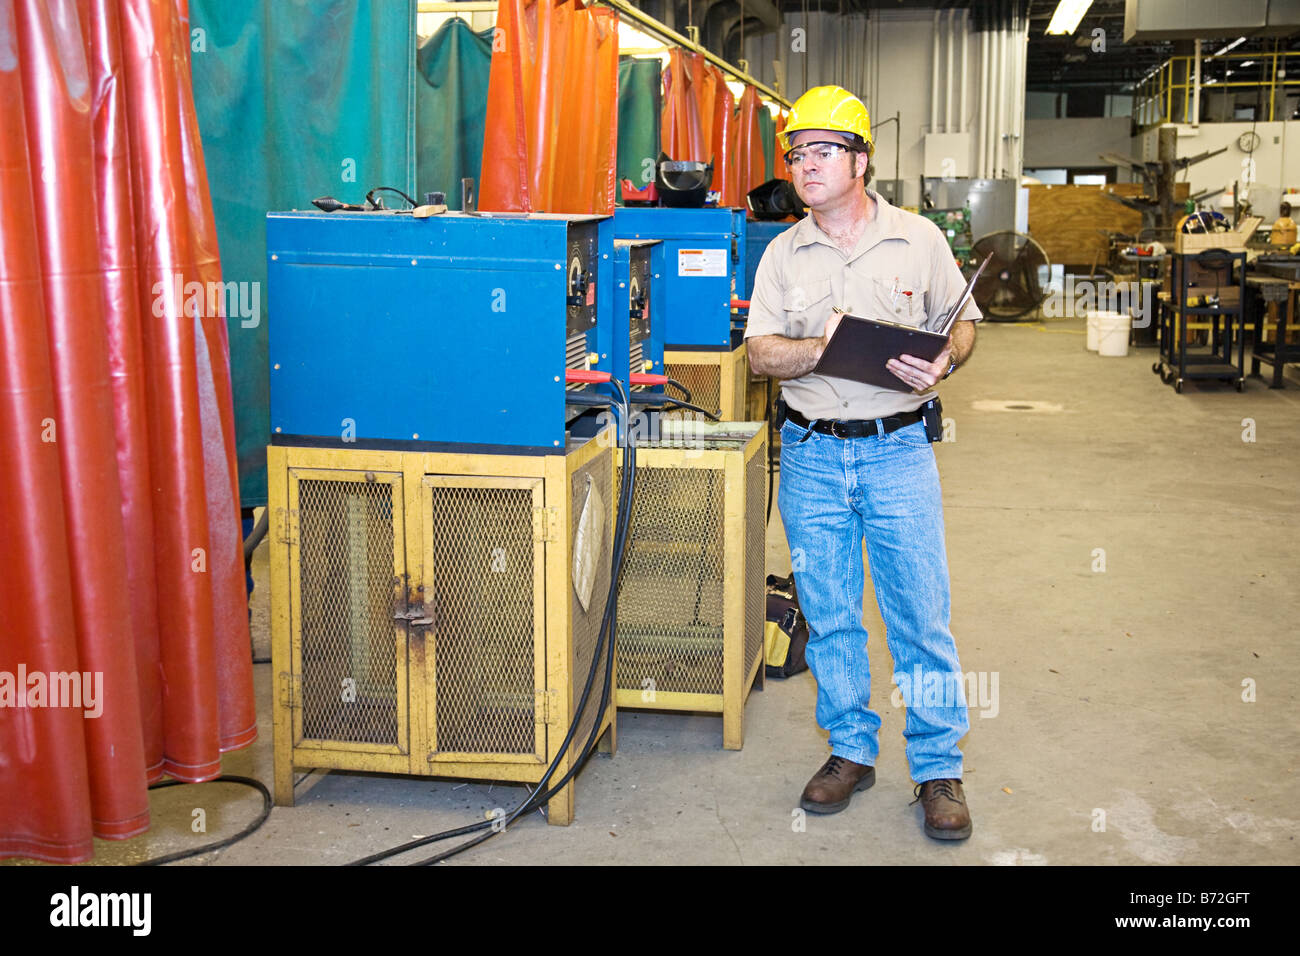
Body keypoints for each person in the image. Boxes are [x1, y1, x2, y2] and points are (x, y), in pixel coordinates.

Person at [745, 86, 979, 841]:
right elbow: (759, 352)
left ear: (861, 161)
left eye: (822, 150)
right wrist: (827, 349)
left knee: (919, 613)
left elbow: (964, 326)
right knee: (833, 613)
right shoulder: (783, 253)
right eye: (797, 153)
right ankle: (850, 750)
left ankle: (938, 766)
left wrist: (944, 360)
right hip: (812, 452)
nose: (806, 165)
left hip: (899, 450)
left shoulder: (919, 240)